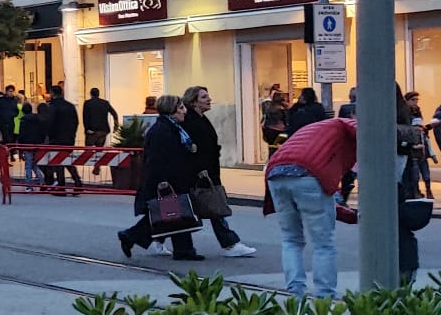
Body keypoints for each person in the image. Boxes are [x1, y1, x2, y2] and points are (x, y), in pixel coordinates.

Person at [265, 116, 357, 299]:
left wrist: (345, 212)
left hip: (275, 173)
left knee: (291, 239)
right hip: (308, 173)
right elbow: (366, 133)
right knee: (323, 243)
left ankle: (295, 295)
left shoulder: (315, 129)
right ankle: (325, 296)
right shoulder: (346, 126)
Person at [117, 94, 203, 262]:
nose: (184, 111)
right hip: (167, 180)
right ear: (171, 110)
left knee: (173, 214)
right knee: (173, 214)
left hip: (175, 177)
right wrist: (162, 180)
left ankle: (182, 249)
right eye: (180, 108)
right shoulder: (162, 131)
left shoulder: (173, 127)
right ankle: (182, 250)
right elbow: (156, 159)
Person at [180, 84, 256, 258]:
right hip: (202, 172)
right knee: (214, 207)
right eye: (204, 97)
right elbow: (195, 149)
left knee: (196, 208)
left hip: (208, 170)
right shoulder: (191, 121)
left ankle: (146, 236)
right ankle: (230, 243)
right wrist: (201, 169)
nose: (209, 99)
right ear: (193, 102)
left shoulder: (200, 118)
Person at [45, 84, 82, 191]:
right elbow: (76, 122)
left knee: (58, 162)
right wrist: (72, 134)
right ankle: (77, 181)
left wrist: (49, 135)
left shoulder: (53, 107)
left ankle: (61, 185)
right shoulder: (70, 106)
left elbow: (50, 123)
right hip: (69, 138)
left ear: (52, 93)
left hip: (56, 138)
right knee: (68, 160)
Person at [15, 100, 44, 183]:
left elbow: (21, 134)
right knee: (35, 164)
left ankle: (28, 184)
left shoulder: (23, 121)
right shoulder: (38, 119)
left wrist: (19, 147)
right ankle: (41, 180)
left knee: (28, 165)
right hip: (37, 144)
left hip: (27, 145)